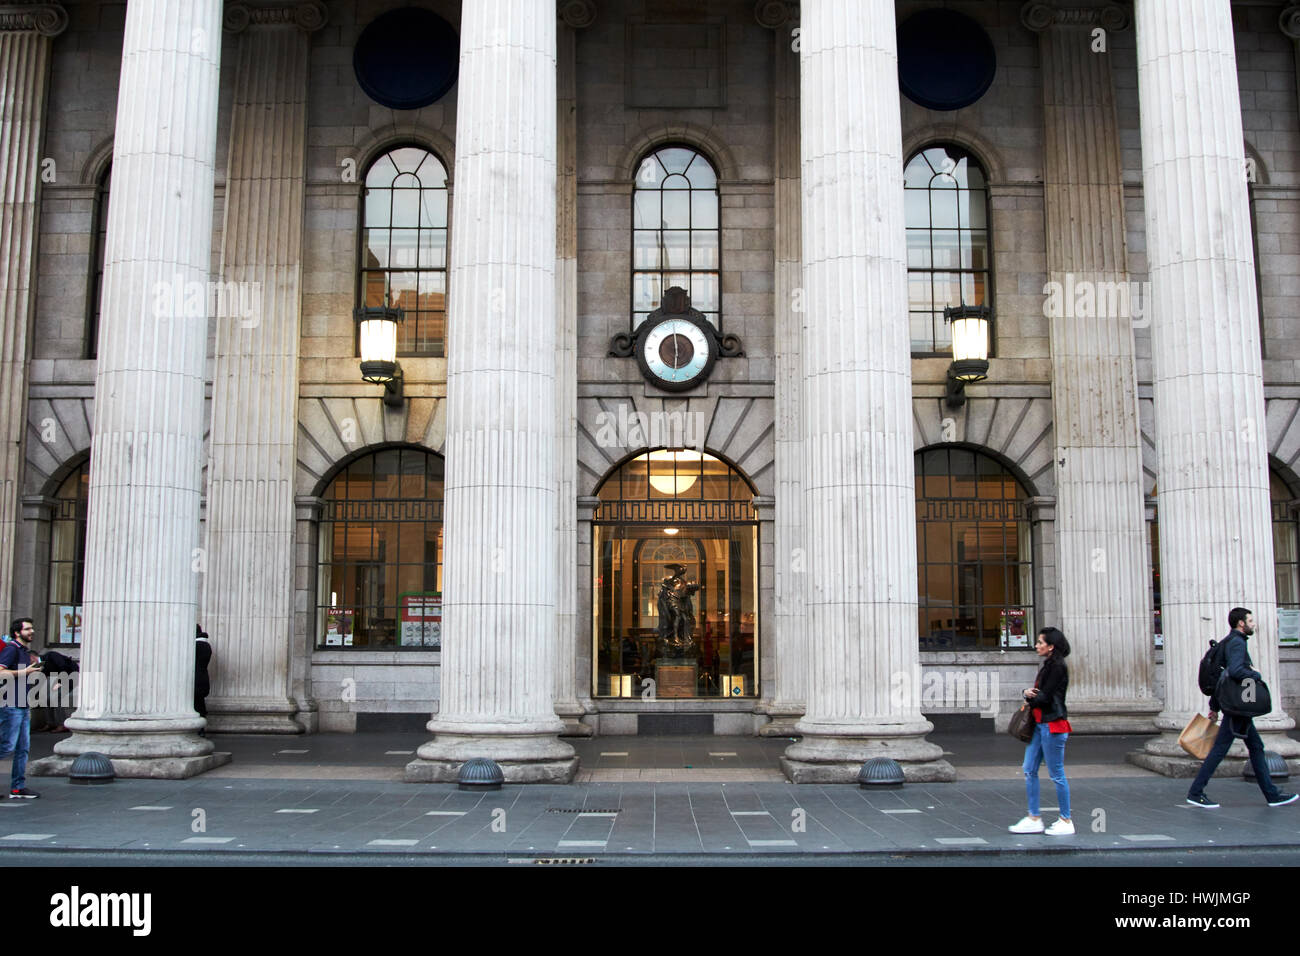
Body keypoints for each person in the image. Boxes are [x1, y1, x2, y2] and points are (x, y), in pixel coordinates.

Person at [1187, 607, 1297, 808]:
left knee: (1255, 747)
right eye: (1251, 620)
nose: (1254, 624)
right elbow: (1236, 671)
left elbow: (1221, 676)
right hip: (1237, 707)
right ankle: (1196, 792)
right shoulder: (1237, 643)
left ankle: (1271, 794)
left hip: (1234, 707)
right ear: (1241, 623)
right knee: (1221, 749)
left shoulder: (1228, 642)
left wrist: (1215, 706)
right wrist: (1255, 674)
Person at [1009, 627, 1073, 835]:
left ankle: (1066, 820)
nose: (1036, 645)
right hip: (1040, 724)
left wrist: (1028, 695)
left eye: (1040, 642)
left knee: (1056, 773)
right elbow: (1041, 695)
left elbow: (1044, 697)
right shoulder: (1048, 665)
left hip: (1053, 725)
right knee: (1029, 768)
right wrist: (1028, 693)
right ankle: (1034, 817)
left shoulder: (1057, 667)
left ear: (1051, 646)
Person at [0, 618, 42, 798]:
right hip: (11, 705)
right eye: (28, 629)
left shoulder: (24, 651)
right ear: (18, 632)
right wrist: (24, 672)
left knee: (23, 748)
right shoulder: (11, 649)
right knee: (6, 746)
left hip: (22, 705)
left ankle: (18, 788)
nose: (32, 631)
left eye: (32, 628)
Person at [194, 625, 212, 731]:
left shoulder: (196, 646)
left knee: (196, 704)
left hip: (194, 680)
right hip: (203, 679)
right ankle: (201, 729)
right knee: (200, 703)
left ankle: (199, 729)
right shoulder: (206, 645)